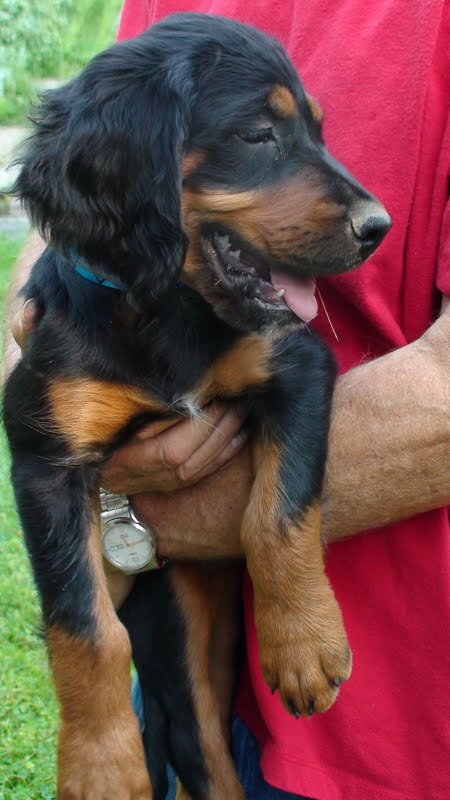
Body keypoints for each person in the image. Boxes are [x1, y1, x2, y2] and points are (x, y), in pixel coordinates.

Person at [4, 1, 450, 798]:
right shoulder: (156, 83)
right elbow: (93, 168)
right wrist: (94, 711)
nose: (361, 204)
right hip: (194, 674)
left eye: (305, 134)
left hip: (397, 722)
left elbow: (304, 374)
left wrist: (199, 534)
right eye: (264, 138)